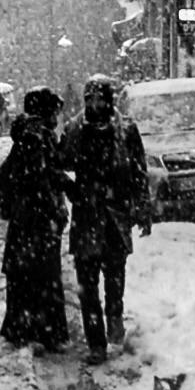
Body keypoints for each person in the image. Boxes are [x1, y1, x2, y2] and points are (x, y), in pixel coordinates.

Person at [58, 74, 150, 362]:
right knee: (87, 286)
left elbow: (139, 171)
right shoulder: (75, 129)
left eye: (100, 99)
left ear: (110, 100)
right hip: (87, 215)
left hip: (115, 217)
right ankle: (96, 342)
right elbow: (61, 163)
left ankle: (114, 320)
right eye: (90, 99)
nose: (95, 104)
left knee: (114, 278)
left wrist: (142, 207)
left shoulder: (126, 130)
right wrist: (72, 188)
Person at [0, 86, 70, 351]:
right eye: (53, 111)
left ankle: (23, 328)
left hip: (27, 219)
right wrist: (58, 200)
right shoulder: (36, 137)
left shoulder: (32, 134)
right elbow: (41, 176)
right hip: (36, 220)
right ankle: (41, 332)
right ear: (44, 111)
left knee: (25, 276)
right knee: (41, 276)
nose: (56, 117)